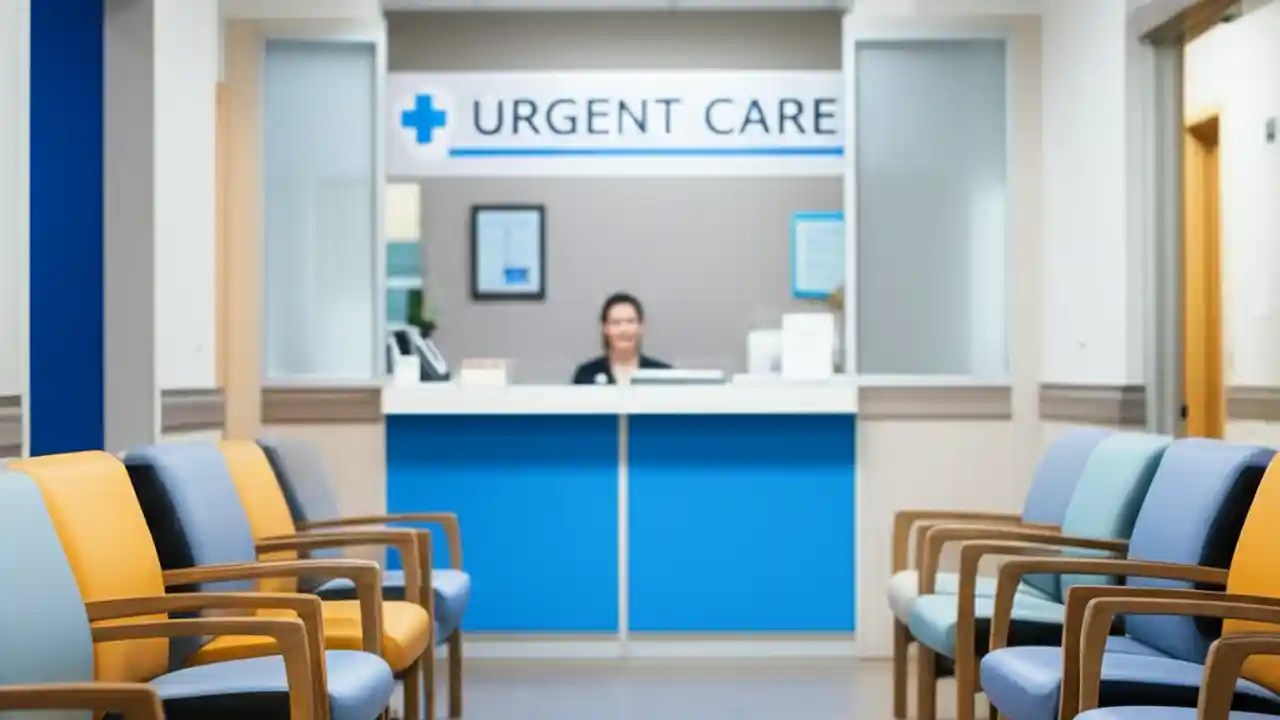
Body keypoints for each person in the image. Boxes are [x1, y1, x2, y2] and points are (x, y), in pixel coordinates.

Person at [572, 292, 671, 385]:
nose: (624, 330)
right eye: (616, 323)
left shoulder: (663, 374)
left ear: (641, 326)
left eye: (630, 322)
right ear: (605, 328)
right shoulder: (586, 374)